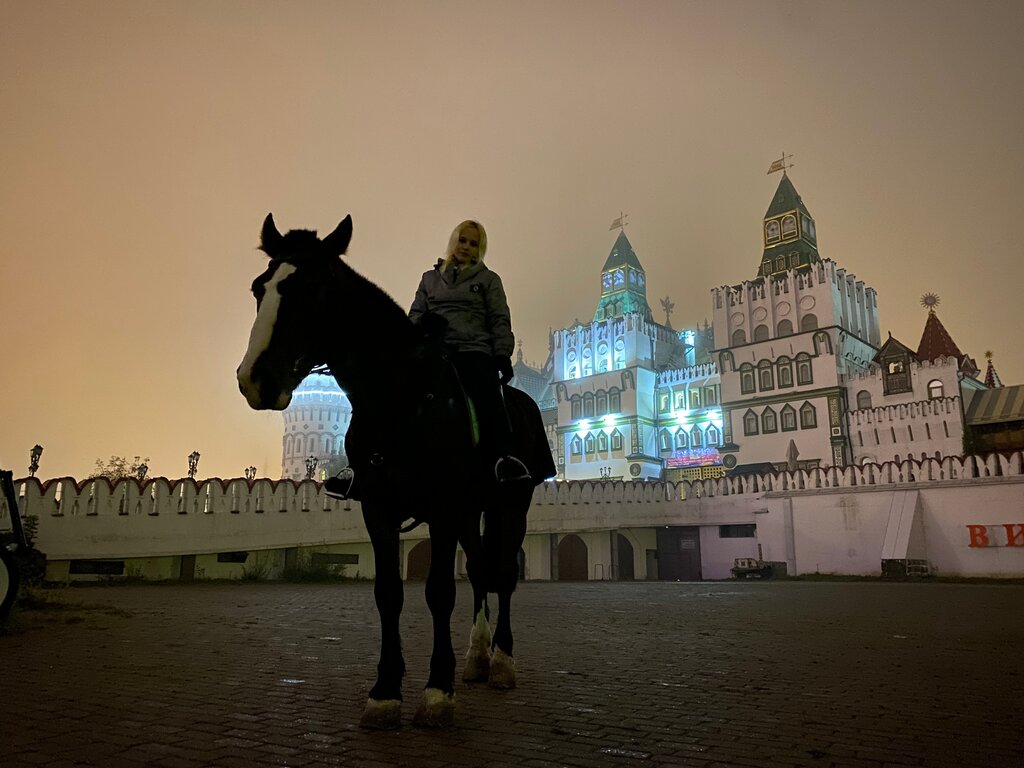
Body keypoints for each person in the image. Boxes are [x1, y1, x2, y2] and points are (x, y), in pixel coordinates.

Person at [409, 220, 528, 482]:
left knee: (488, 396)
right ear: (454, 241)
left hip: (473, 350)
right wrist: (423, 325)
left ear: (479, 249)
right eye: (462, 240)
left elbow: (499, 318)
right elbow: (415, 314)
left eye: (473, 244)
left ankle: (503, 457)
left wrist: (502, 354)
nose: (466, 247)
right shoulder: (429, 279)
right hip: (435, 350)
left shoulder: (488, 280)